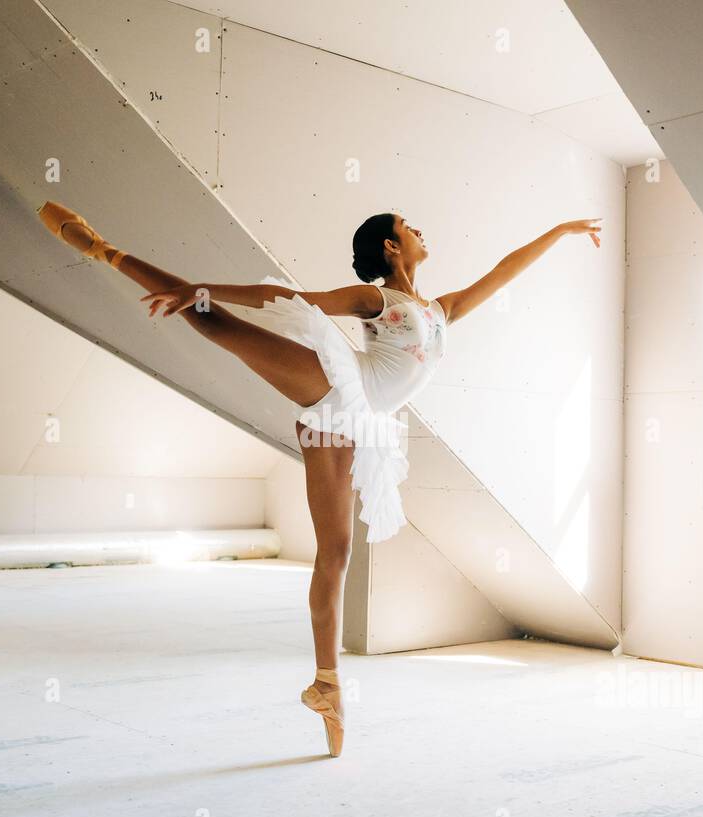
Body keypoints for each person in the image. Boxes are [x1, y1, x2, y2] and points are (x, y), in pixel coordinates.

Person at [38, 201, 602, 756]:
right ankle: (105, 250)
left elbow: (503, 271)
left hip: (358, 419)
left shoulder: (441, 309)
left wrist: (559, 230)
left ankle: (327, 685)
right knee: (220, 323)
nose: (419, 229)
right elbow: (290, 301)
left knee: (335, 554)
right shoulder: (375, 299)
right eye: (409, 226)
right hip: (340, 384)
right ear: (391, 246)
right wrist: (202, 289)